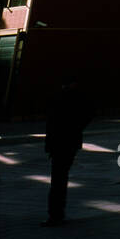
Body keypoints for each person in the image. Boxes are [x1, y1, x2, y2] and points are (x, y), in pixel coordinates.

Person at [42, 75, 94, 226]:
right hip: (69, 143)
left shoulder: (60, 98)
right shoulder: (77, 99)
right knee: (60, 179)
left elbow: (51, 124)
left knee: (57, 180)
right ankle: (57, 214)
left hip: (59, 143)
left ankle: (55, 215)